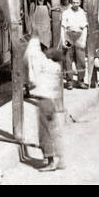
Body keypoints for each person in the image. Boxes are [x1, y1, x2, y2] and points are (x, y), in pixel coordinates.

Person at [29, 40, 65, 172]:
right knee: (54, 131)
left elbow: (35, 62)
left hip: (44, 101)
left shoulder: (45, 64)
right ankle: (60, 159)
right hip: (52, 101)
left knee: (45, 132)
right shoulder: (57, 68)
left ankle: (50, 160)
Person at [61, 0, 89, 88]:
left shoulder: (82, 13)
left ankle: (80, 81)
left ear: (80, 3)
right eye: (74, 2)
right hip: (68, 35)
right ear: (71, 2)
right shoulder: (66, 13)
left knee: (81, 59)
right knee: (68, 59)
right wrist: (63, 40)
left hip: (79, 36)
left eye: (77, 3)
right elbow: (63, 28)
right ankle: (69, 81)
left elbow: (85, 27)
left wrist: (84, 40)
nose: (75, 4)